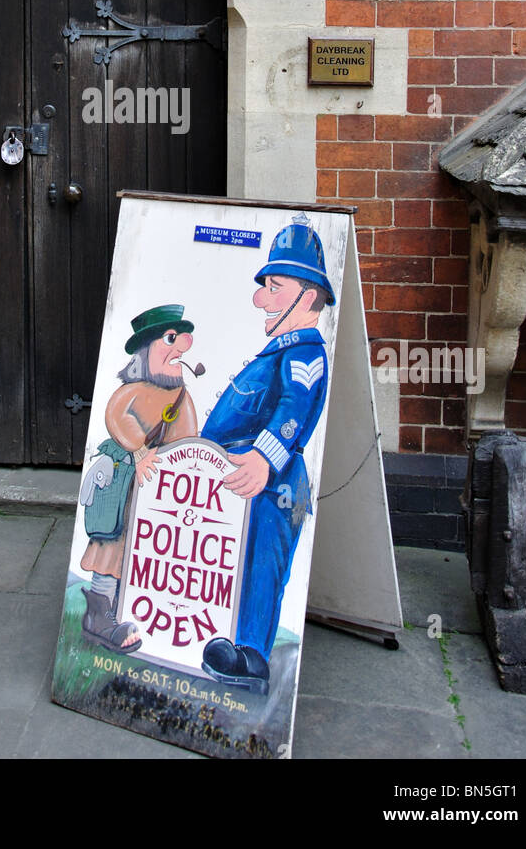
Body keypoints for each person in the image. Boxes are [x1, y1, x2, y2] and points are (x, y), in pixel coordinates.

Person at [199, 219, 335, 696]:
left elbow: (294, 409)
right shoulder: (275, 350)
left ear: (309, 297)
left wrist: (264, 458)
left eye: (275, 288)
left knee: (261, 566)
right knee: (233, 561)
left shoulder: (305, 352)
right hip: (245, 478)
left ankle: (252, 658)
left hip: (276, 484)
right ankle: (238, 648)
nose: (261, 298)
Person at [79, 304, 198, 653]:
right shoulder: (133, 390)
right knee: (111, 542)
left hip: (157, 485)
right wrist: (140, 452)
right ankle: (99, 614)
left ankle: (130, 611)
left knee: (146, 544)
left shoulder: (180, 395)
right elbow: (117, 416)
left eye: (182, 340)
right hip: (122, 481)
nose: (181, 350)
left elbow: (187, 437)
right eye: (171, 340)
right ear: (146, 350)